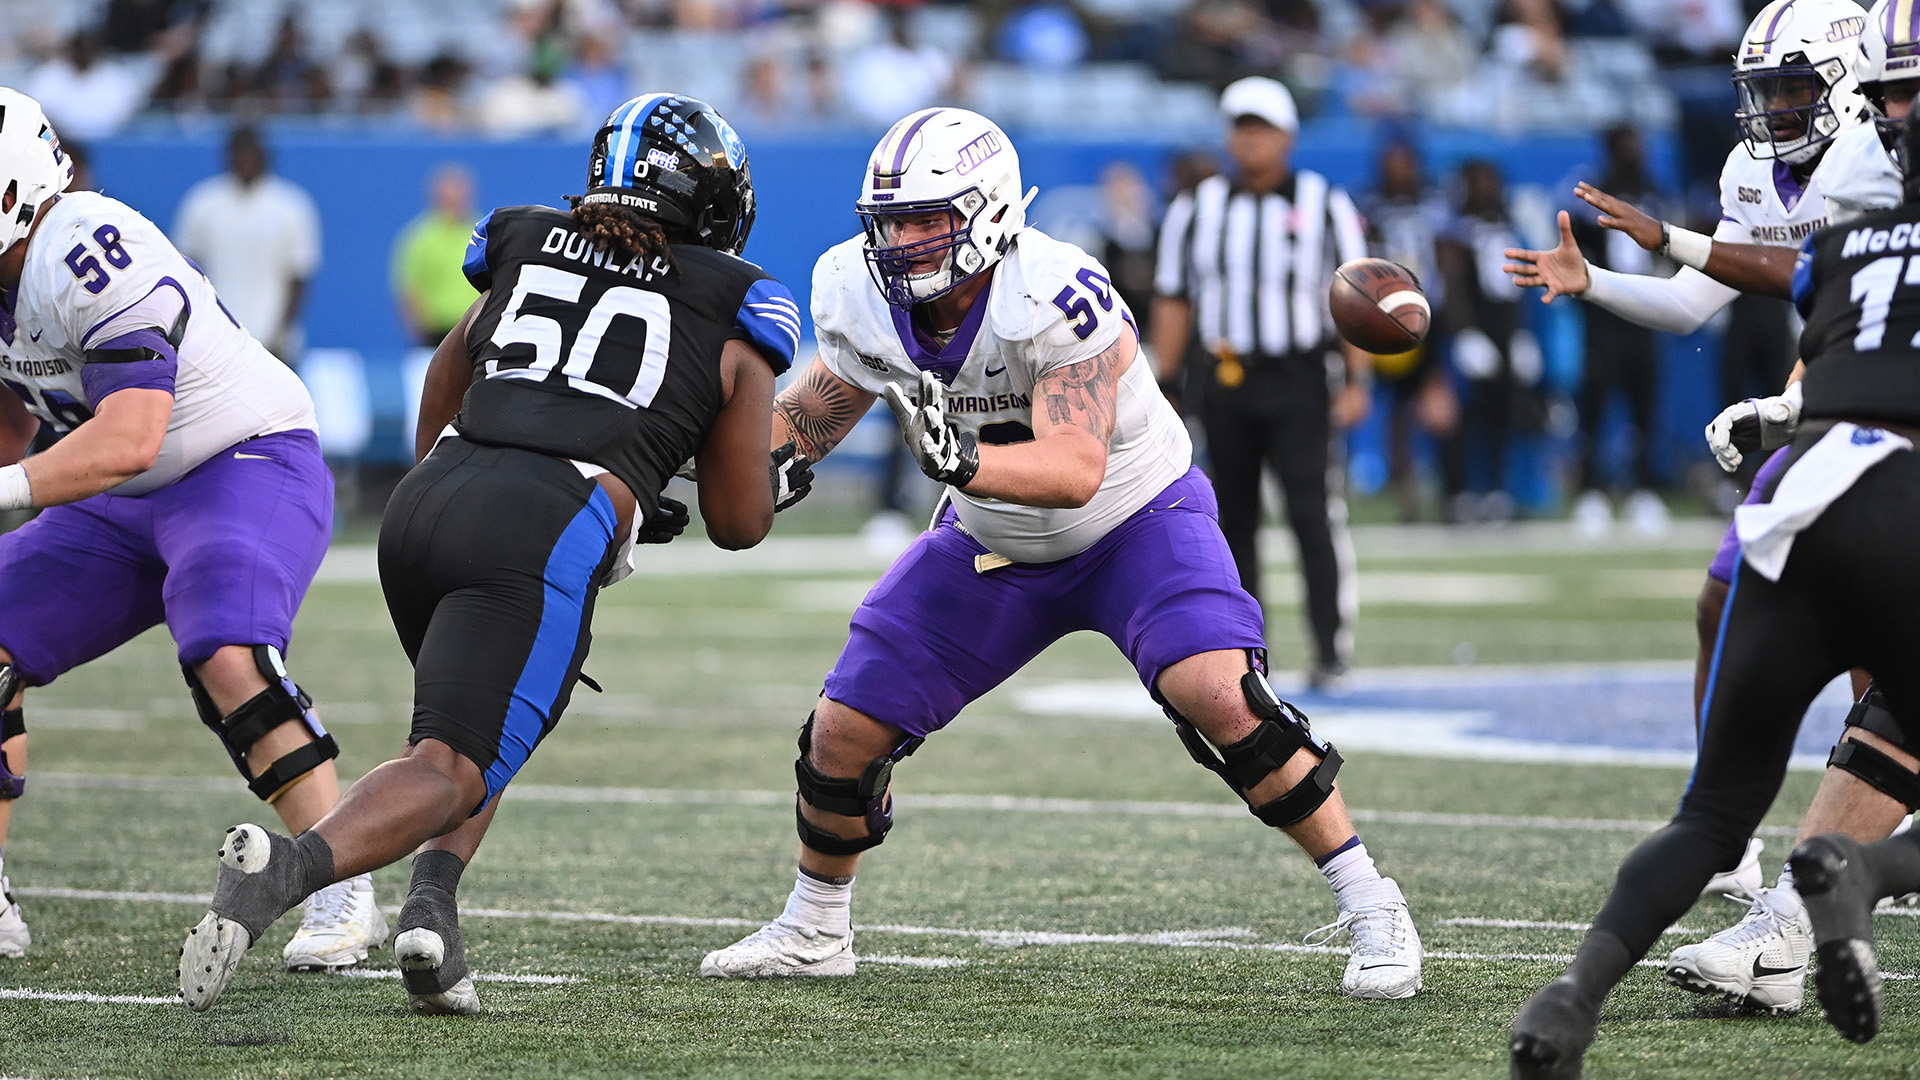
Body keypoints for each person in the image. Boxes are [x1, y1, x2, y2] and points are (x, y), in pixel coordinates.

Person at [699, 107, 1424, 1000]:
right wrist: (759, 463)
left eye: (928, 219)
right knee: (844, 730)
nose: (903, 241)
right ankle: (815, 927)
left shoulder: (1053, 291)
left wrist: (963, 460)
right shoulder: (857, 288)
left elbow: (1076, 468)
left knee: (1219, 697)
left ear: (990, 211)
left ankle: (1369, 898)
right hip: (993, 539)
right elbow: (829, 398)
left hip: (1136, 517)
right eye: (890, 222)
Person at [176, 93, 807, 1016]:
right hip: (541, 522)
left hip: (428, 500)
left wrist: (452, 487)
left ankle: (434, 914)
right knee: (451, 764)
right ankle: (287, 873)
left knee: (466, 732)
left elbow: (449, 372)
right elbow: (739, 519)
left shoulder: (523, 238)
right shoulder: (740, 299)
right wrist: (762, 476)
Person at [1514, 0, 1920, 1020]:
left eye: (1796, 87)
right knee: (1763, 619)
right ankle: (1801, 895)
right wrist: (1610, 278)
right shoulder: (1846, 169)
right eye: (1891, 95)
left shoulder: (1870, 156)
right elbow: (1833, 295)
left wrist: (1679, 243)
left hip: (1848, 431)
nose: (1776, 109)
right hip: (1854, 434)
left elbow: (1818, 282)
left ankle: (1818, 886)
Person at [0, 88, 383, 969]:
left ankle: (338, 885)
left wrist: (11, 488)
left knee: (224, 650)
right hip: (123, 491)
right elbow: (17, 418)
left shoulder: (87, 245)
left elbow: (130, 435)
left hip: (244, 461)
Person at [1152, 77, 1371, 690]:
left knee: (1312, 512)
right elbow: (1174, 299)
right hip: (1224, 379)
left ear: (1287, 136)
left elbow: (1357, 298)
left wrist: (1357, 376)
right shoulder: (1196, 208)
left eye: (1261, 129)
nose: (1250, 141)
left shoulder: (1326, 202)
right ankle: (1249, 652)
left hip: (1300, 375)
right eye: (1240, 128)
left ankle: (1330, 646)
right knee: (1231, 520)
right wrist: (1165, 381)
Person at [1568, 125, 1673, 537]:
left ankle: (1643, 490)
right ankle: (1591, 491)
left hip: (1646, 313)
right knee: (1594, 408)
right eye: (1629, 143)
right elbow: (1575, 247)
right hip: (1604, 316)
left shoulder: (1653, 190)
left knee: (1644, 407)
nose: (1638, 150)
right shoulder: (1593, 194)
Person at [1361, 139, 1458, 523]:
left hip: (1429, 317)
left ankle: (1452, 492)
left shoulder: (1434, 203)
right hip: (1387, 319)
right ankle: (1408, 497)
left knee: (1437, 406)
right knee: (1397, 415)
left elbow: (1447, 257)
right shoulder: (1372, 205)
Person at [1437, 158, 1537, 524]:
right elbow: (1451, 284)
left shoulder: (1508, 224)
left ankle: (1497, 490)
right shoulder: (1455, 231)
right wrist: (1464, 332)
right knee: (1461, 418)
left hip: (1504, 331)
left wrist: (1522, 333)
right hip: (1469, 334)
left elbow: (1522, 283)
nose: (1485, 189)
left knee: (1502, 413)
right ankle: (1458, 493)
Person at [173, 125, 320, 365]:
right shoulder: (202, 204)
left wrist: (281, 334)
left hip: (274, 344)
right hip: (215, 342)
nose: (246, 161)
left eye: (252, 154)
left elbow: (299, 276)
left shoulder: (291, 206)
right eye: (239, 154)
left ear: (265, 156)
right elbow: (186, 269)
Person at [391, 163, 481, 347]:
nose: (454, 202)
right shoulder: (420, 238)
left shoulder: (483, 231)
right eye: (449, 197)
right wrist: (421, 333)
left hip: (478, 327)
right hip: (436, 332)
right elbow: (409, 290)